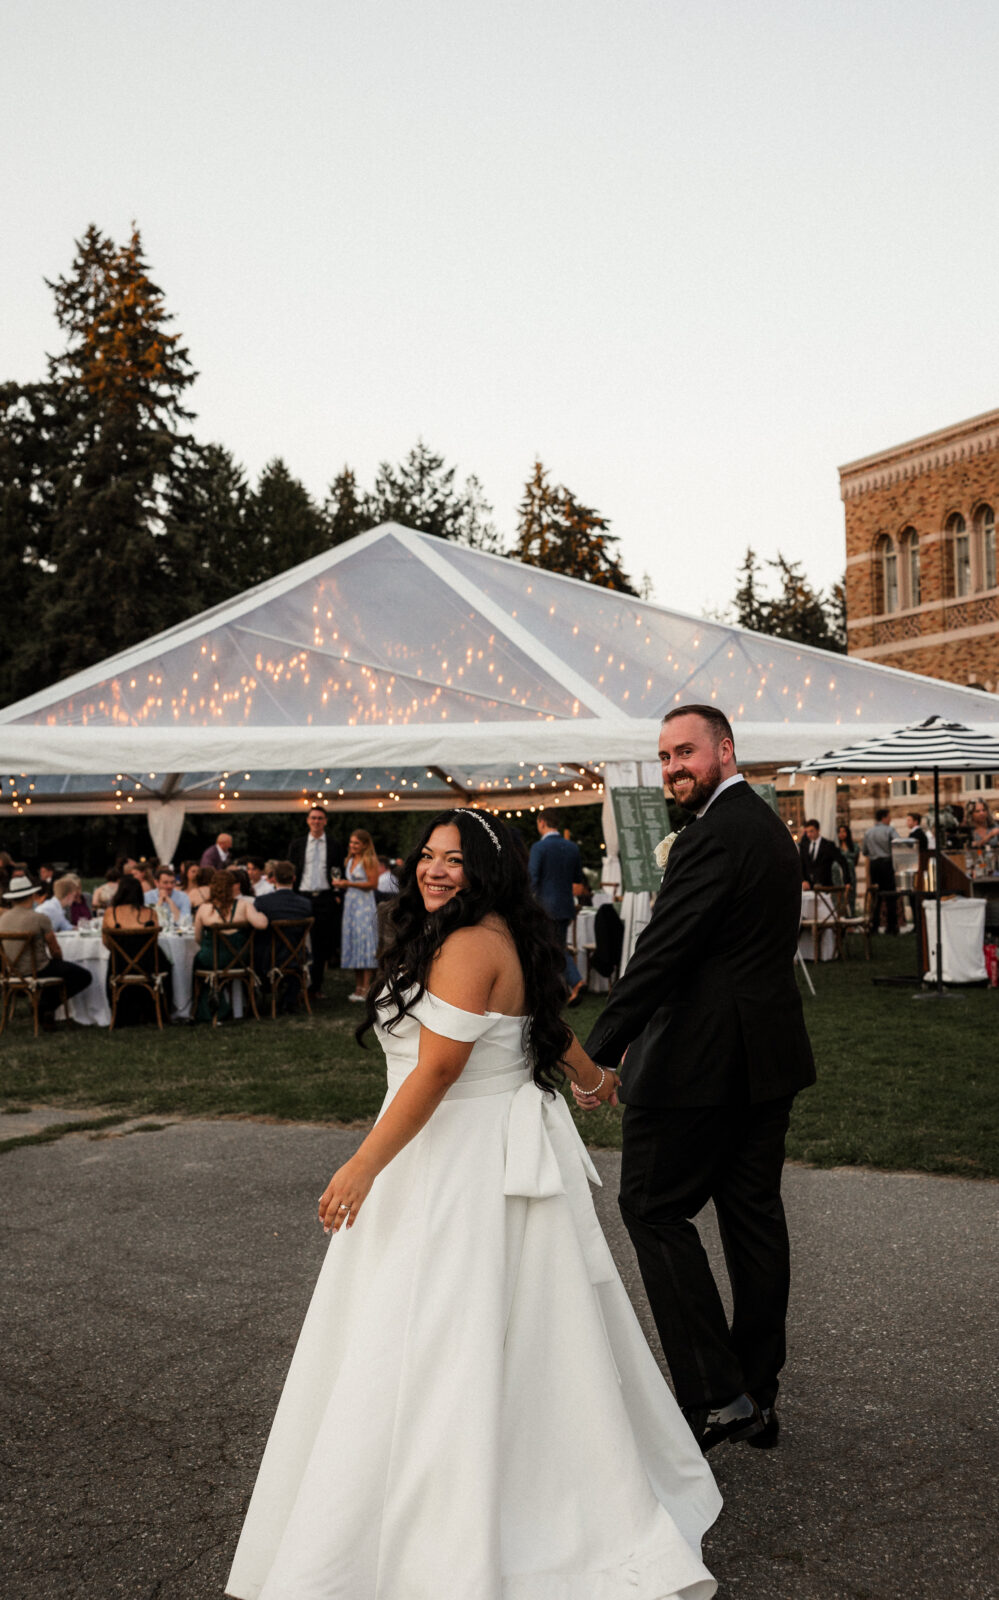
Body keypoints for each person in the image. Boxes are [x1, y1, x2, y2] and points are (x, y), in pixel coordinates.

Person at [225, 810, 721, 1600]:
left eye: (453, 861)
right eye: (426, 856)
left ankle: (439, 1526)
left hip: (452, 1162)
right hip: (483, 1153)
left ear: (486, 870)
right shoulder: (501, 935)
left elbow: (436, 1073)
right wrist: (592, 1078)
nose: (433, 870)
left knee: (436, 1333)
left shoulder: (463, 945)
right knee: (511, 1326)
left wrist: (361, 1165)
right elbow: (541, 1026)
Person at [578, 705, 815, 1453]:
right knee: (751, 1220)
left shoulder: (713, 834)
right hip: (765, 1057)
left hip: (702, 1063)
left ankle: (720, 1394)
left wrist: (600, 1051)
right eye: (663, 757)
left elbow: (664, 952)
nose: (673, 766)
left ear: (724, 749)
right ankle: (758, 1394)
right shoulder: (765, 826)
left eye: (684, 752)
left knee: (650, 1206)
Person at [0, 873, 92, 1029]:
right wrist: (59, 961)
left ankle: (43, 1004)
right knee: (82, 975)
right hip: (37, 969)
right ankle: (47, 1005)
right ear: (32, 895)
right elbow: (55, 949)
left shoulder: (3, 919)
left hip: (11, 971)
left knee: (60, 969)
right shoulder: (39, 918)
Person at [192, 870, 268, 1023]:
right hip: (239, 958)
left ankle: (207, 1009)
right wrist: (262, 915)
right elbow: (262, 925)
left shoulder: (204, 909)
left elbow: (197, 938)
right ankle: (227, 1007)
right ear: (232, 887)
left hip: (211, 959)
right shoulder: (244, 905)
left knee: (196, 962)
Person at [528, 810, 586, 1005]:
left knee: (552, 948)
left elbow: (532, 879)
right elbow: (578, 879)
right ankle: (559, 989)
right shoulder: (572, 848)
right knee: (555, 946)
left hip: (545, 907)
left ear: (542, 823)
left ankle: (574, 981)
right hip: (565, 906)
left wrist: (528, 902)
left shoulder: (539, 848)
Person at [288, 806, 343, 1000]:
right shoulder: (298, 844)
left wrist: (337, 894)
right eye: (313, 818)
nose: (316, 821)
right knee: (296, 941)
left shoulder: (334, 845)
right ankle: (295, 985)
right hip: (301, 897)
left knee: (320, 944)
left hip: (324, 898)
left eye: (320, 818)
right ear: (308, 820)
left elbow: (338, 871)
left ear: (325, 821)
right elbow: (291, 870)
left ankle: (315, 988)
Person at [102, 874, 172, 1024]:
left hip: (120, 965)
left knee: (113, 959)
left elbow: (106, 942)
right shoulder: (150, 913)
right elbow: (154, 941)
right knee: (168, 965)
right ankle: (162, 1010)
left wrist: (122, 952)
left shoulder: (110, 913)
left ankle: (120, 1014)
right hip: (147, 964)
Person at [253, 861, 312, 1008]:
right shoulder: (305, 904)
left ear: (273, 878)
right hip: (298, 956)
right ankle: (290, 996)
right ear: (294, 879)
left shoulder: (262, 902)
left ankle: (264, 989)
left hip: (270, 957)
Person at [333, 829, 380, 1001]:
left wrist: (349, 883)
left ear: (365, 844)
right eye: (351, 842)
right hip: (350, 904)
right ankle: (358, 987)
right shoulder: (350, 859)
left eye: (356, 843)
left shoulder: (369, 860)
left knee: (364, 942)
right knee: (353, 941)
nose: (352, 846)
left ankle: (367, 988)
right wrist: (344, 885)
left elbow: (373, 884)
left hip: (364, 905)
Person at [862, 807, 900, 934]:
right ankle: (891, 926)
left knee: (876, 895)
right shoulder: (889, 830)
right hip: (886, 864)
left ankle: (875, 925)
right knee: (890, 895)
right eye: (889, 817)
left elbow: (865, 851)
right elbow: (898, 844)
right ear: (884, 817)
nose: (890, 819)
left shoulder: (868, 832)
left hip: (874, 865)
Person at [798, 818, 846, 888]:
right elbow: (801, 864)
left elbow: (843, 861)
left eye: (811, 831)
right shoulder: (804, 846)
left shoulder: (828, 845)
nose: (809, 834)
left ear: (818, 830)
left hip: (826, 887)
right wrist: (803, 880)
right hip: (808, 887)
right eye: (807, 832)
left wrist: (847, 881)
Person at [837, 823, 860, 915]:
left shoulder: (854, 846)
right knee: (840, 896)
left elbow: (854, 856)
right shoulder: (837, 846)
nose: (842, 834)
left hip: (850, 873)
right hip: (839, 874)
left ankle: (852, 915)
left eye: (844, 831)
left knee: (851, 895)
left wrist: (844, 856)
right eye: (840, 832)